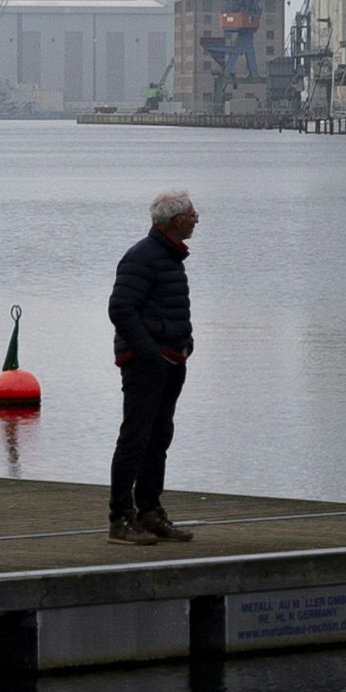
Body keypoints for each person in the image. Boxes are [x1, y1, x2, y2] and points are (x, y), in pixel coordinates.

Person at [106, 189, 196, 541]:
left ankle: (149, 510)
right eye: (191, 214)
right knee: (135, 437)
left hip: (173, 358)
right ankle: (120, 516)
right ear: (175, 221)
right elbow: (120, 309)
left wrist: (185, 344)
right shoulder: (142, 257)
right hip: (146, 361)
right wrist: (147, 354)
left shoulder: (169, 256)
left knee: (159, 436)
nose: (196, 219)